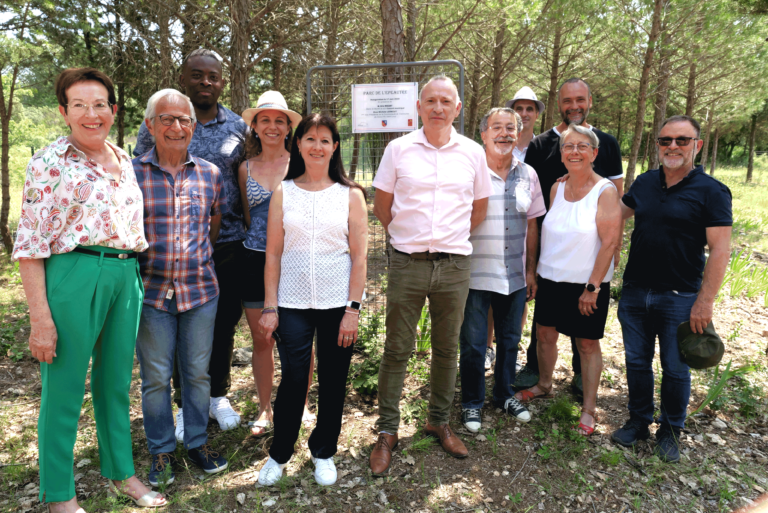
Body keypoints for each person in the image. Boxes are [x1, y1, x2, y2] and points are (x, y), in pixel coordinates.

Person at [13, 68, 166, 512]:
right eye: (79, 105)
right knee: (63, 388)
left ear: (113, 111)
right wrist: (40, 318)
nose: (91, 113)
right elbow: (30, 246)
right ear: (64, 112)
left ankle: (121, 473)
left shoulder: (123, 160)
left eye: (99, 104)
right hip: (75, 273)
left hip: (125, 275)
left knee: (115, 383)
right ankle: (59, 495)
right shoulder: (48, 163)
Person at [369, 75, 492, 476]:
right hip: (408, 263)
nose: (438, 108)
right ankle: (387, 431)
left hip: (455, 265)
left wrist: (447, 239)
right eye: (431, 101)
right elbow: (382, 207)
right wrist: (411, 238)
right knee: (397, 349)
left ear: (458, 108)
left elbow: (478, 209)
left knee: (446, 348)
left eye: (446, 101)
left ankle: (438, 420)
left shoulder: (473, 153)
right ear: (418, 107)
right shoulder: (398, 149)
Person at [135, 49, 247, 437]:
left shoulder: (237, 125)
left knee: (221, 325)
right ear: (184, 78)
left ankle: (216, 395)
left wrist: (212, 240)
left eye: (212, 76)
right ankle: (184, 405)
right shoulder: (157, 120)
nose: (205, 82)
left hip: (226, 242)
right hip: (164, 250)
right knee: (176, 328)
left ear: (221, 81)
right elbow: (139, 177)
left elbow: (245, 177)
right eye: (197, 75)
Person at [611, 115, 732, 462]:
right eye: (666, 140)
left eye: (682, 140)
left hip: (680, 296)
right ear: (658, 145)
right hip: (635, 292)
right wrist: (576, 181)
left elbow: (720, 250)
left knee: (676, 368)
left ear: (697, 145)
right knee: (636, 361)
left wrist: (704, 302)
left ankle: (671, 430)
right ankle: (638, 421)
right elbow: (614, 213)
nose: (673, 146)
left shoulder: (711, 191)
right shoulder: (646, 182)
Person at [257, 113, 368, 486]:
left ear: (335, 146)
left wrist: (353, 309)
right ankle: (280, 453)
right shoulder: (283, 193)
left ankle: (324, 451)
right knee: (293, 379)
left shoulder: (351, 195)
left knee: (334, 379)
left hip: (338, 303)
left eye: (325, 140)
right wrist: (270, 306)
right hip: (291, 302)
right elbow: (273, 254)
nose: (317, 146)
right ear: (298, 144)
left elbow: (360, 258)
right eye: (310, 139)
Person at [133, 89, 229, 486]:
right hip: (152, 294)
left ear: (193, 126)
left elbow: (214, 224)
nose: (176, 127)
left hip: (200, 291)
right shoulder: (132, 174)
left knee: (197, 373)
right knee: (155, 377)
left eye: (184, 120)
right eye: (167, 119)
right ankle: (161, 451)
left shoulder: (210, 173)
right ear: (150, 125)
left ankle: (196, 442)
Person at [514, 78, 624, 394]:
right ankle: (535, 368)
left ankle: (580, 374)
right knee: (544, 323)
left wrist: (615, 242)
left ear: (589, 100)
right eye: (567, 101)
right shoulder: (540, 145)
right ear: (559, 103)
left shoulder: (606, 143)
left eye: (580, 99)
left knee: (585, 324)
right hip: (551, 249)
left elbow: (617, 194)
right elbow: (531, 197)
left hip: (590, 247)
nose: (573, 106)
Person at [459, 108, 546, 433]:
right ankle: (471, 402)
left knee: (510, 340)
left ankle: (504, 394)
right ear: (483, 134)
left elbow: (533, 224)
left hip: (514, 276)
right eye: (497, 127)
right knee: (473, 343)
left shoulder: (529, 174)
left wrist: (530, 270)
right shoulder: (469, 172)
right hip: (474, 273)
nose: (505, 133)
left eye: (511, 128)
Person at [237, 91, 316, 437]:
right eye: (265, 119)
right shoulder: (245, 169)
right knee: (262, 338)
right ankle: (265, 408)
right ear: (255, 126)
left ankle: (301, 404)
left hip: (296, 261)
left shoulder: (301, 166)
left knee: (300, 338)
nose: (272, 126)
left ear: (288, 128)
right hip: (253, 262)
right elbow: (247, 216)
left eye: (279, 120)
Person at [505, 86, 545, 162]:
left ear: (536, 115)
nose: (523, 114)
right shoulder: (501, 148)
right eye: (519, 109)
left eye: (529, 109)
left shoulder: (544, 150)